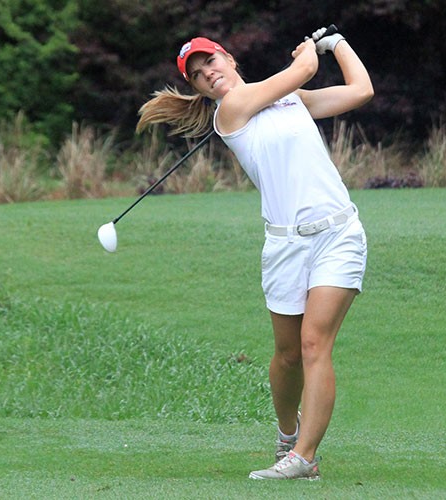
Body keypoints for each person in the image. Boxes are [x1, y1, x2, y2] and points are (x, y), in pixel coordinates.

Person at [136, 26, 373, 480]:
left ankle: (304, 457)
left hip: (338, 234)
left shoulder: (290, 99)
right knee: (287, 355)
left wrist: (337, 42)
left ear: (229, 58)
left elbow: (361, 90)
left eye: (211, 62)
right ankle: (288, 433)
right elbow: (304, 68)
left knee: (313, 344)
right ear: (199, 88)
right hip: (285, 245)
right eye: (197, 75)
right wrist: (310, 50)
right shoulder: (231, 111)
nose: (208, 74)